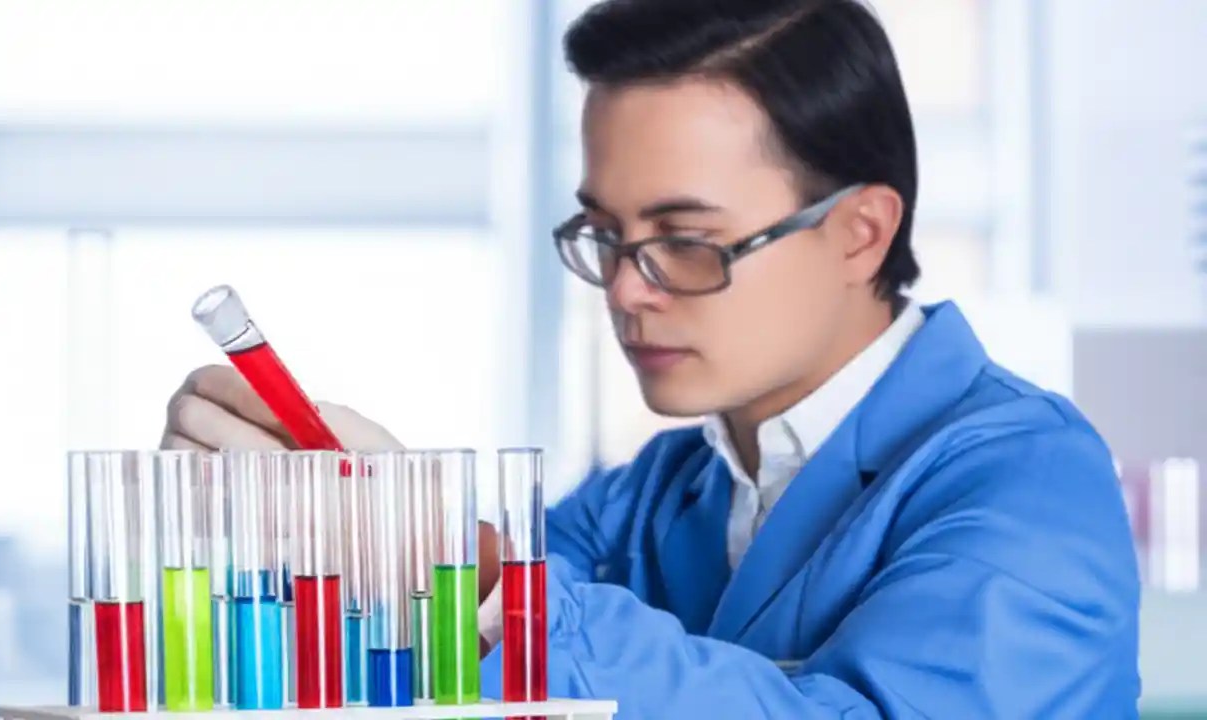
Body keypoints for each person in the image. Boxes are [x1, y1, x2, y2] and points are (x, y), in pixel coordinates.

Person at [162, 0, 1140, 716]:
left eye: (686, 240)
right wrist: (312, 522)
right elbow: (425, 666)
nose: (627, 290)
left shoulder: (1028, 482)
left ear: (857, 232)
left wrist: (450, 562)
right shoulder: (653, 494)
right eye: (604, 236)